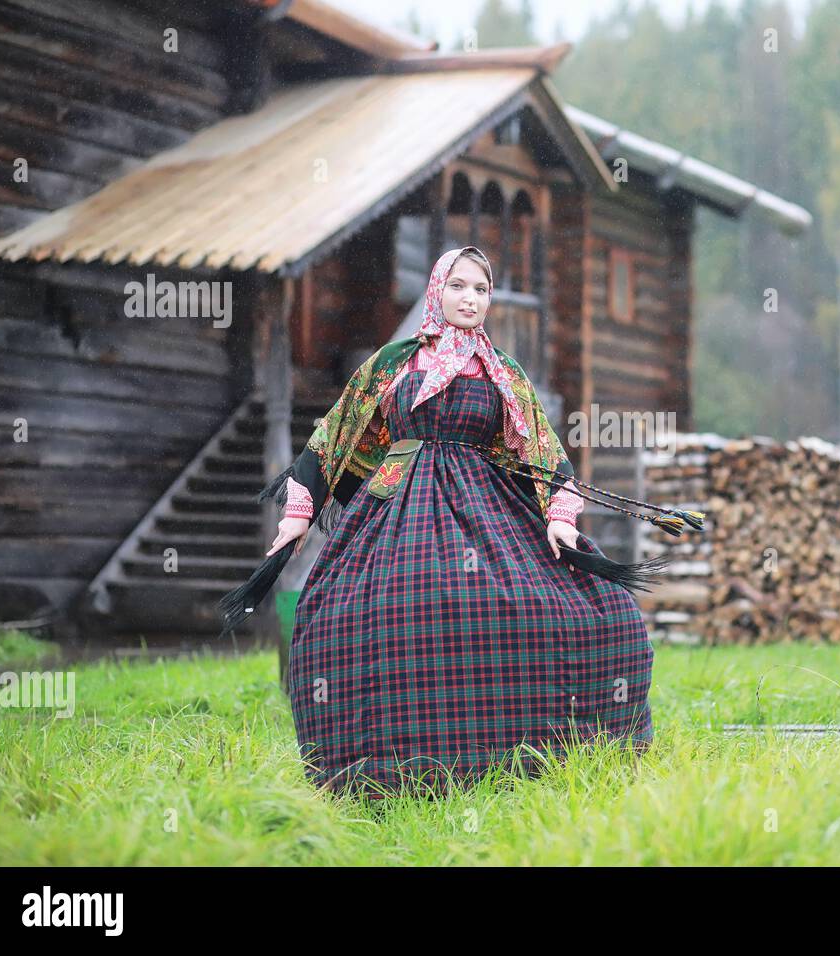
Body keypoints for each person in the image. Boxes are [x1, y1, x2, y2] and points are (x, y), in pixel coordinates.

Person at [220, 246, 702, 797]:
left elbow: (543, 451)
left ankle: (541, 755)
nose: (470, 299)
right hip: (399, 507)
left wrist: (561, 518)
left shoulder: (503, 371)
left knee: (574, 613)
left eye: (480, 289)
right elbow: (333, 436)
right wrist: (298, 514)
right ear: (436, 290)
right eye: (458, 286)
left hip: (488, 504)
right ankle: (383, 765)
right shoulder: (393, 363)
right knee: (375, 615)